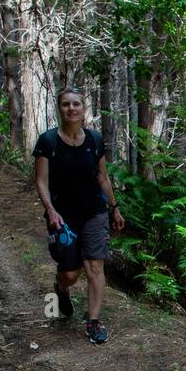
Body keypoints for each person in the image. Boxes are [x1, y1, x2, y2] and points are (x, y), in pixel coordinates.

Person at [32, 87, 125, 344]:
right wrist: (51, 210)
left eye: (76, 104)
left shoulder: (94, 140)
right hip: (63, 217)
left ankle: (93, 322)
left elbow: (102, 178)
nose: (71, 108)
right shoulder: (48, 142)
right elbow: (41, 181)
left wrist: (114, 207)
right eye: (66, 104)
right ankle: (61, 289)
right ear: (59, 109)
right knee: (71, 274)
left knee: (95, 265)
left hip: (94, 212)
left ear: (84, 110)